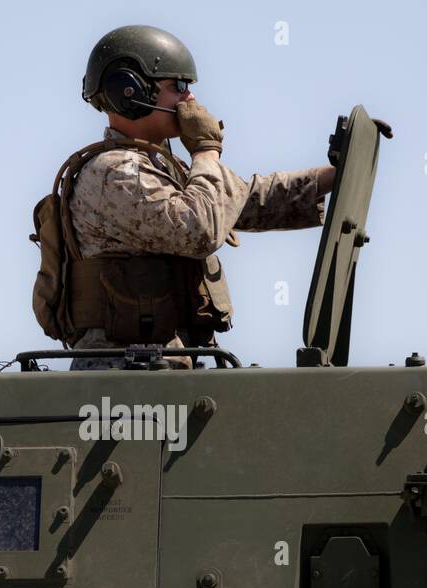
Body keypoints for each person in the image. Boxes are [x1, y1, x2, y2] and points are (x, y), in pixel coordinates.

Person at [67, 24, 336, 369]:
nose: (190, 98)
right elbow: (199, 230)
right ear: (130, 92)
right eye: (178, 86)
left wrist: (334, 177)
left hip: (160, 372)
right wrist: (207, 151)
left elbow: (244, 199)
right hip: (123, 384)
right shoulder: (115, 172)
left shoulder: (160, 167)